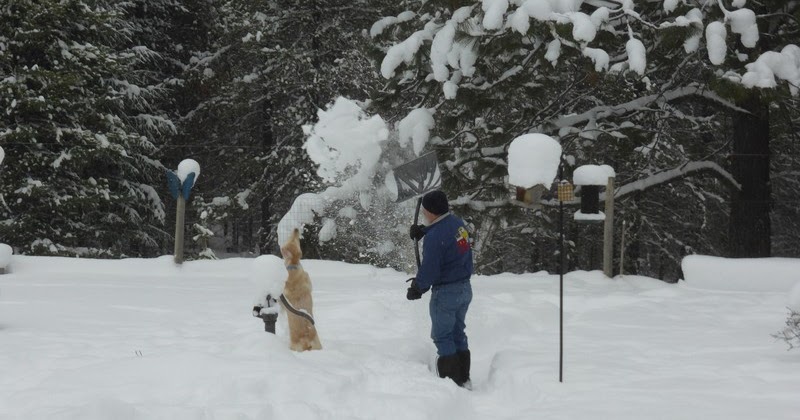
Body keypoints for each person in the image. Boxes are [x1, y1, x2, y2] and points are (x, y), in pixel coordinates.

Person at [407, 190, 474, 387]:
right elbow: (450, 243)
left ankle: (452, 384)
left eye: (425, 211)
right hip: (464, 289)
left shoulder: (435, 237)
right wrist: (424, 231)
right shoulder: (458, 224)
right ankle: (464, 376)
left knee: (442, 336)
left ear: (431, 212)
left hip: (446, 293)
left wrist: (418, 287)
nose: (424, 214)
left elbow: (430, 269)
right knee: (457, 332)